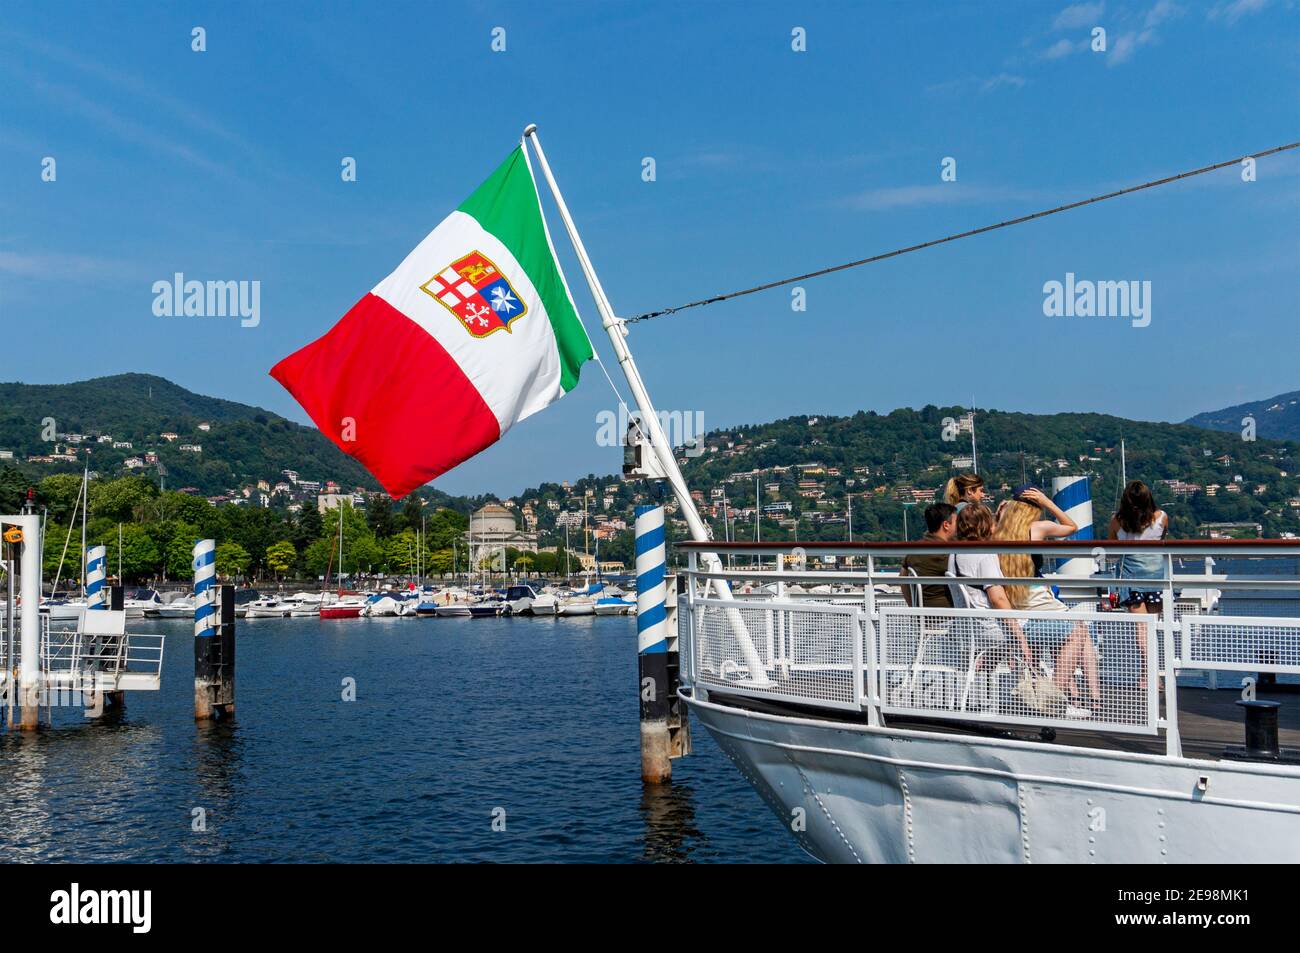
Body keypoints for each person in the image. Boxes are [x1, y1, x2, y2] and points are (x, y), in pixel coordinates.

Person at [995, 485, 1101, 713]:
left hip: (1017, 616)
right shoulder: (1035, 528)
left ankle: (1070, 695)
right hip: (1036, 611)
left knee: (1068, 633)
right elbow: (1071, 527)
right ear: (1034, 508)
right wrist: (1048, 502)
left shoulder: (998, 531)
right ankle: (1052, 695)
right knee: (1079, 631)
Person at [947, 504, 1034, 666]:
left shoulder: (954, 554)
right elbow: (998, 599)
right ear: (985, 525)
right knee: (1072, 632)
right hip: (990, 630)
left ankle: (1001, 666)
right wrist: (1020, 637)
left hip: (967, 630)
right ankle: (1058, 686)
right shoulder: (985, 554)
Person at [1108, 480, 1169, 690]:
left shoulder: (1117, 521)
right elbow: (1163, 539)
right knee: (1153, 627)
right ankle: (1151, 676)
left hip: (1131, 579)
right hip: (1157, 577)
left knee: (1142, 629)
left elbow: (1112, 550)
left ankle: (1149, 676)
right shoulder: (1161, 517)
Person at [901, 502, 956, 608]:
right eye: (956, 523)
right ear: (946, 525)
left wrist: (913, 607)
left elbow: (903, 580)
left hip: (921, 617)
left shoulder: (913, 550)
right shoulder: (946, 554)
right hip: (948, 618)